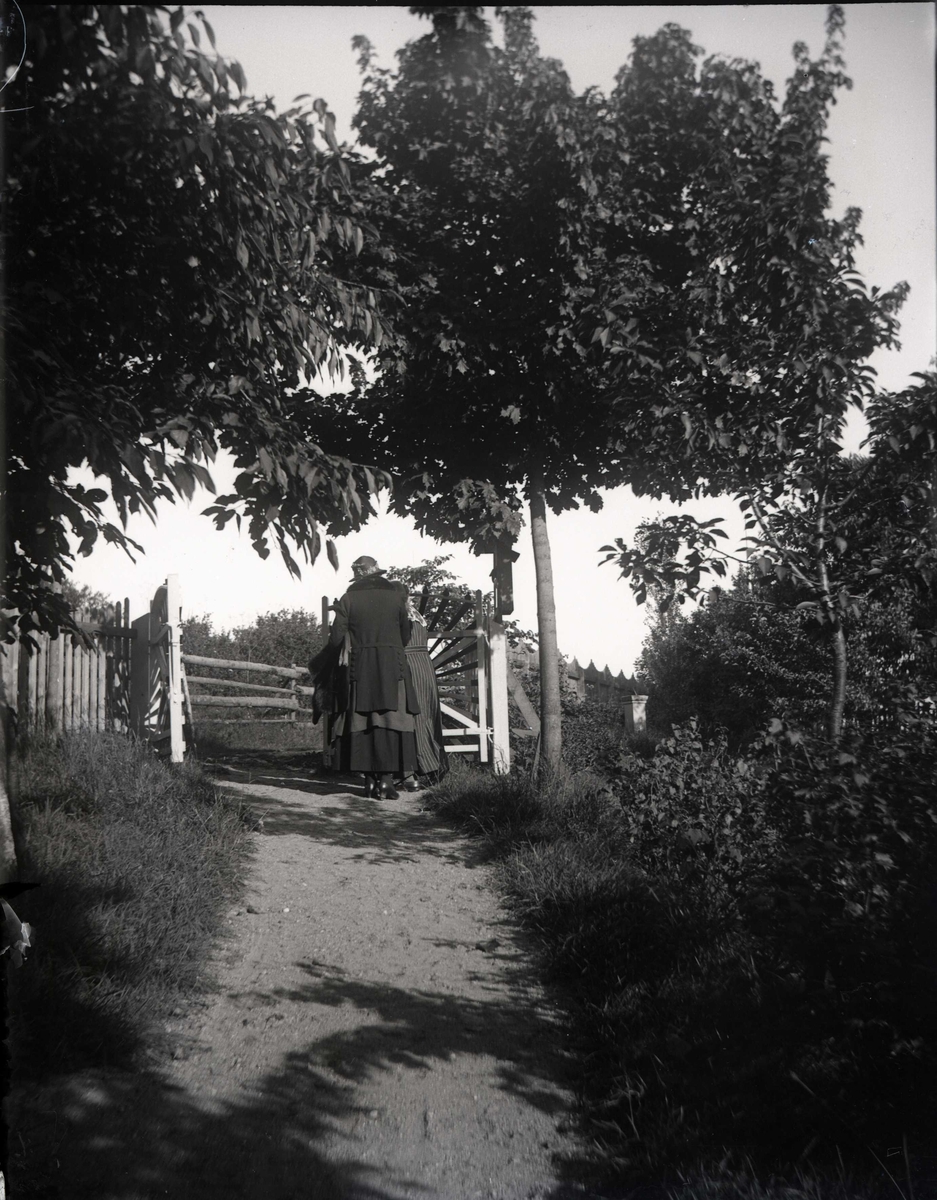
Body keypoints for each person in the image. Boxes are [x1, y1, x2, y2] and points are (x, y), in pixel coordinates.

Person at [328, 556, 420, 800]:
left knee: (362, 720)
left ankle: (368, 781)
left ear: (358, 577)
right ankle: (387, 781)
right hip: (393, 665)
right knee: (391, 719)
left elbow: (336, 636)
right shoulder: (396, 598)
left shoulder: (348, 599)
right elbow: (405, 635)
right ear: (379, 575)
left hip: (360, 667)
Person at [397, 592, 449, 790]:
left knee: (414, 714)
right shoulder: (417, 615)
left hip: (409, 663)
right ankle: (435, 762)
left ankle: (423, 767)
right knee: (428, 713)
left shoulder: (402, 616)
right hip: (425, 664)